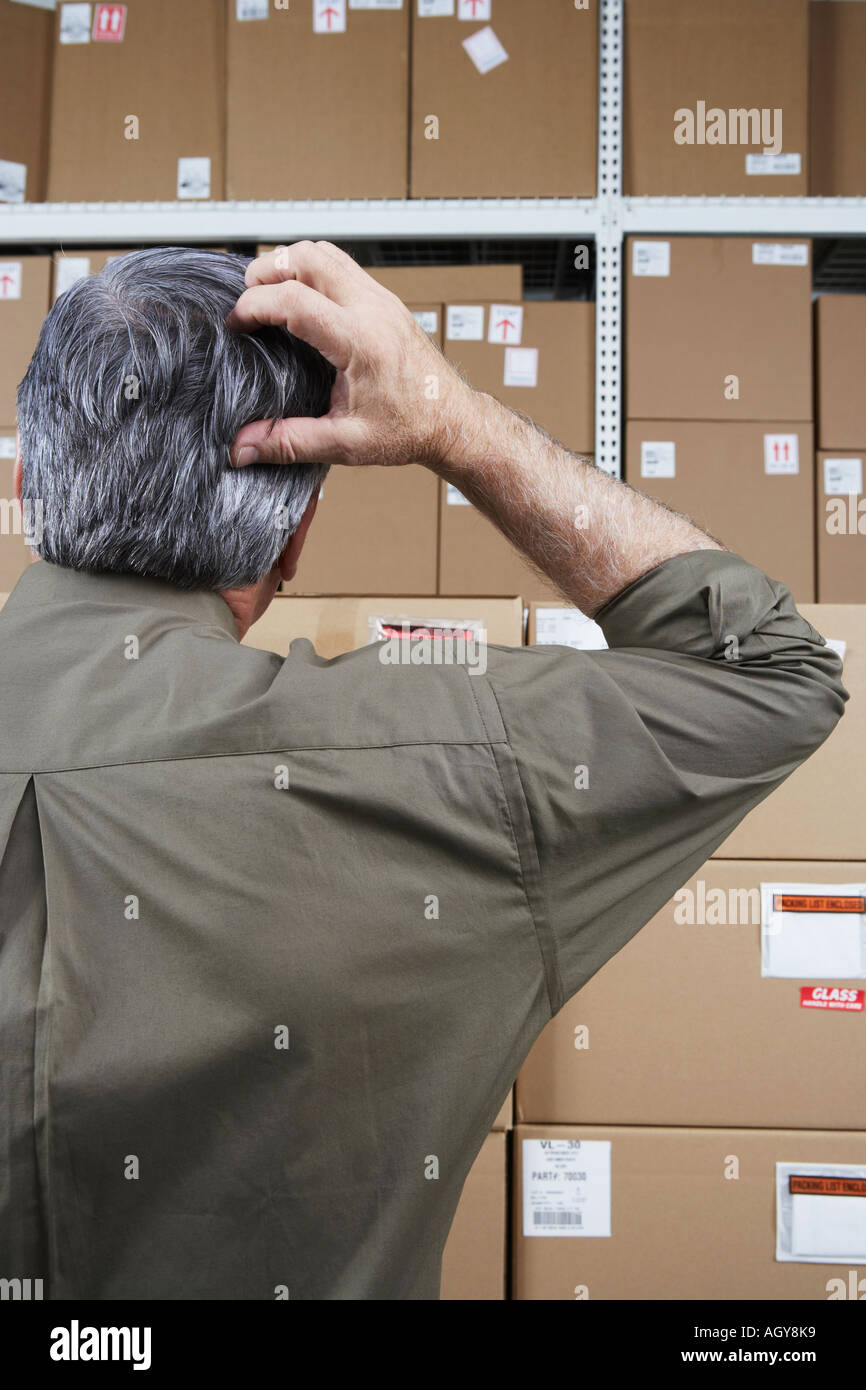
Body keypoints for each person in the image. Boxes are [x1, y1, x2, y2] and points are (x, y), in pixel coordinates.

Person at [0, 243, 845, 1301]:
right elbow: (770, 673)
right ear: (293, 535)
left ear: (29, 483)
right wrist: (450, 420)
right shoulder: (445, 761)